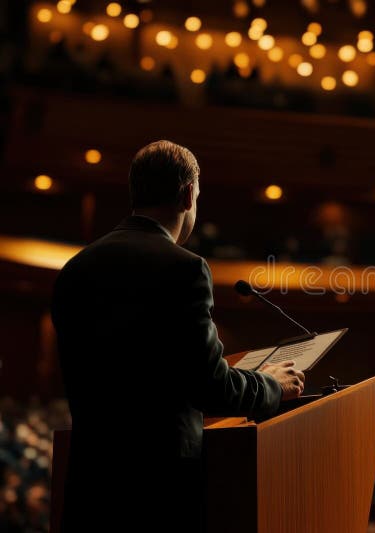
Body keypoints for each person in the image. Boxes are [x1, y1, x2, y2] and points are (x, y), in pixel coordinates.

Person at [51, 140, 305, 532]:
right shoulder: (183, 268)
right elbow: (210, 386)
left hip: (90, 487)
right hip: (158, 493)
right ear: (188, 194)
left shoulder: (75, 268)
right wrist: (269, 385)